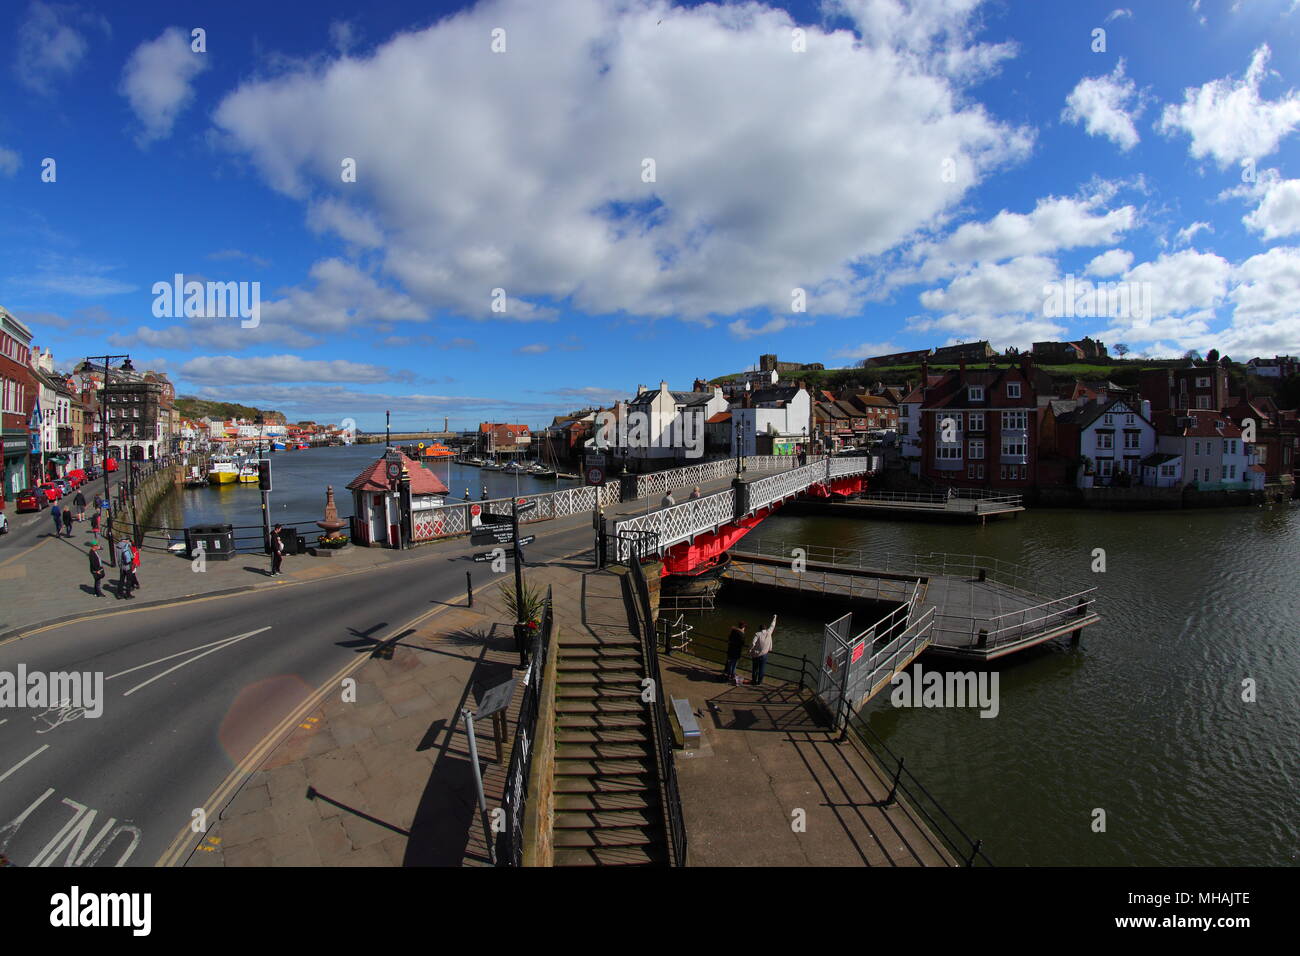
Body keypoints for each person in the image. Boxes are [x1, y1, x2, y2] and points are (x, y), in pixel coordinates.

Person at [749, 614, 777, 687]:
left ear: (759, 629)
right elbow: (772, 625)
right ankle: (759, 682)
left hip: (756, 654)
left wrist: (750, 650)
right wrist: (775, 617)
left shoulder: (757, 634)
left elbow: (753, 643)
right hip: (764, 655)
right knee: (762, 669)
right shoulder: (769, 632)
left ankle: (754, 681)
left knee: (755, 668)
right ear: (765, 628)